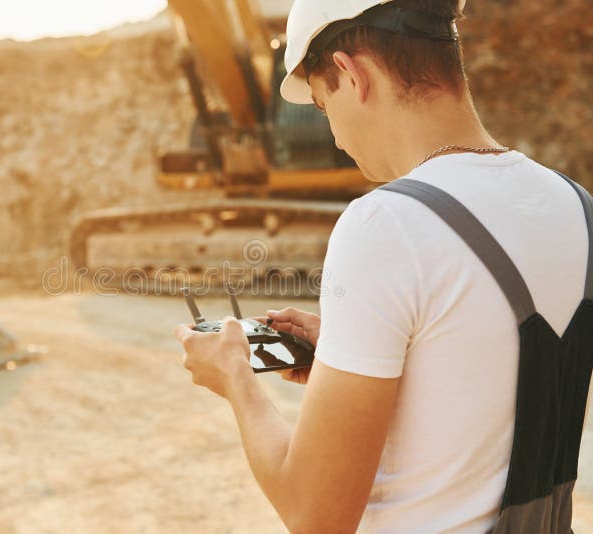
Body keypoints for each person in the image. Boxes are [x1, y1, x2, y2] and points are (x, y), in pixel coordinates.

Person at [174, 0, 593, 532]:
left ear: (351, 74)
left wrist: (236, 377)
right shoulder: (575, 204)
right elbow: (497, 379)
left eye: (324, 106)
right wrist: (362, 352)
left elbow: (315, 515)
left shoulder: (387, 223)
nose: (335, 137)